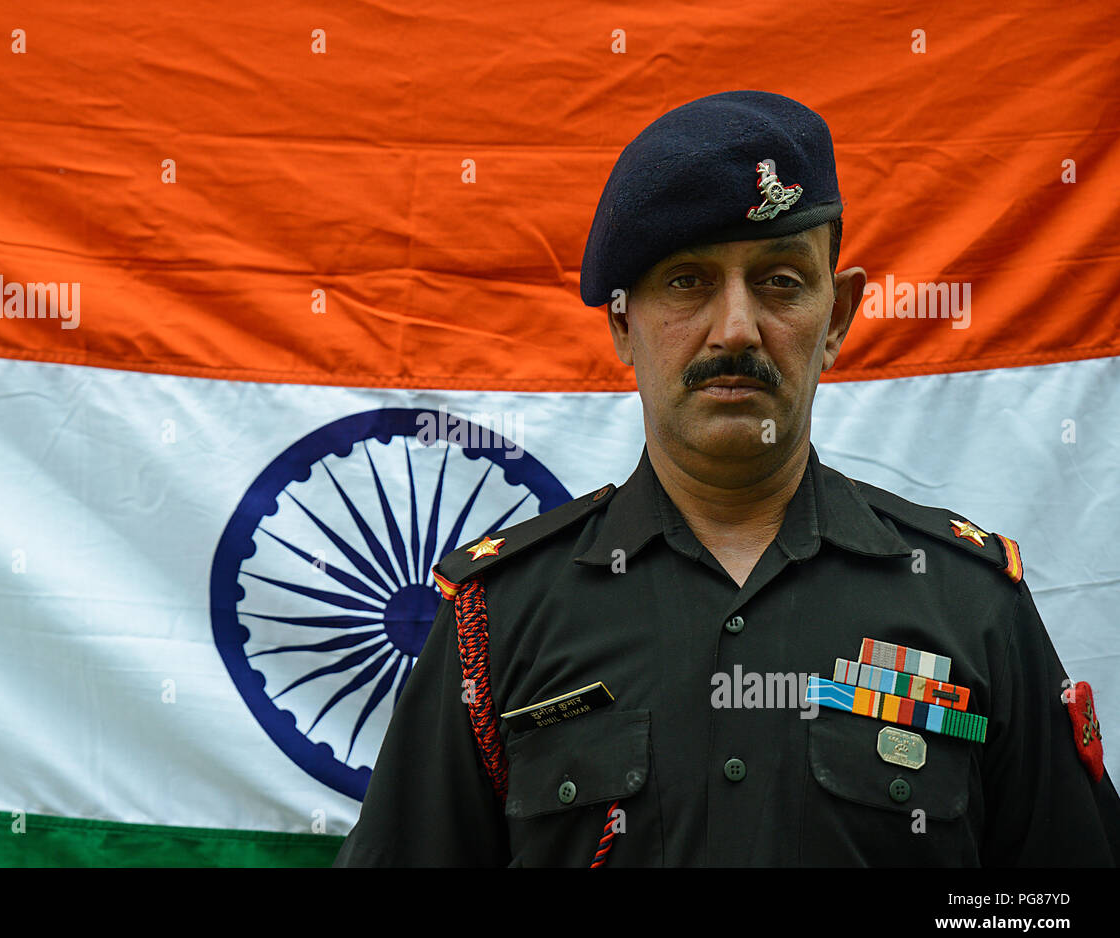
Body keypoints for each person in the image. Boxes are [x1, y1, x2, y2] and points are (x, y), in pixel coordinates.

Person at [333, 90, 1120, 866]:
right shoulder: (499, 619)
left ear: (838, 315)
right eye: (687, 281)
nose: (736, 327)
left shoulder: (969, 604)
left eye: (780, 280)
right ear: (621, 322)